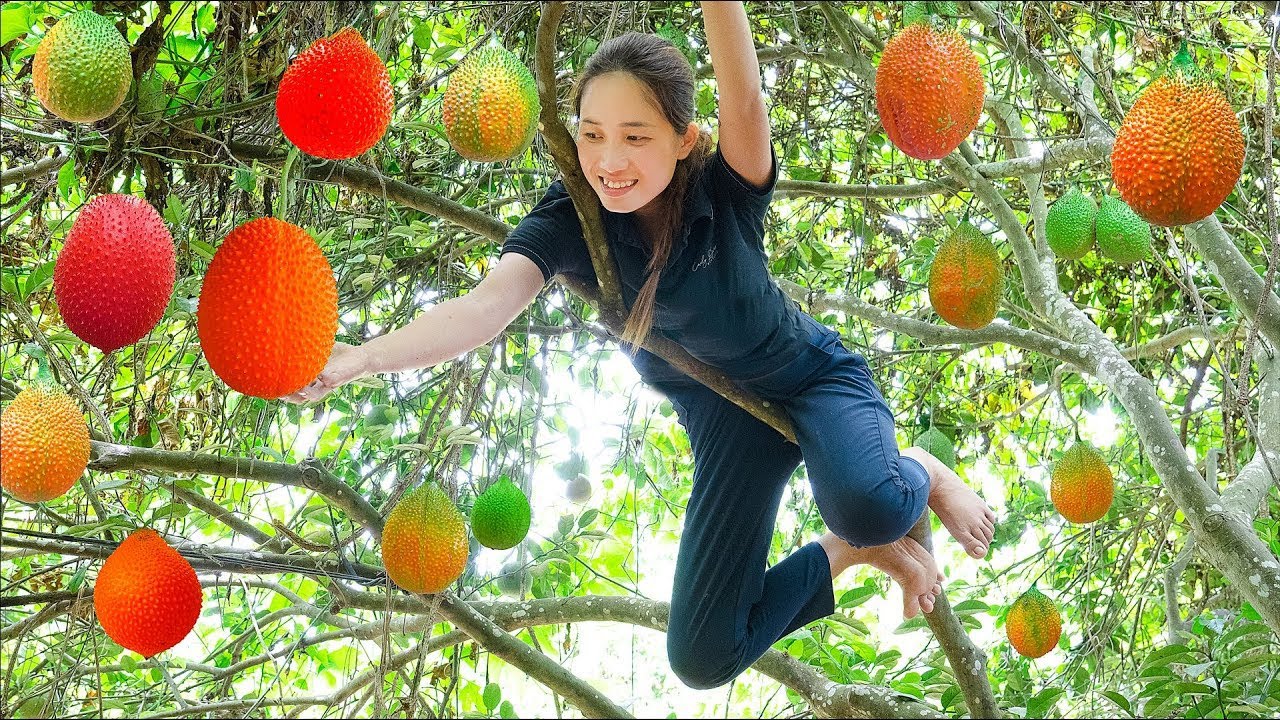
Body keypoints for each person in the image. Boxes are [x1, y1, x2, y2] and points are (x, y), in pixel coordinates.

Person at [285, 2, 996, 691]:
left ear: (685, 138)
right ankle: (853, 554)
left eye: (635, 135)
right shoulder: (569, 221)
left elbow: (743, 92)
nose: (609, 159)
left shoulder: (728, 190)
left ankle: (920, 472)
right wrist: (361, 357)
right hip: (725, 425)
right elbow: (483, 308)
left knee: (872, 501)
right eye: (591, 135)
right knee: (704, 657)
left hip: (809, 381)